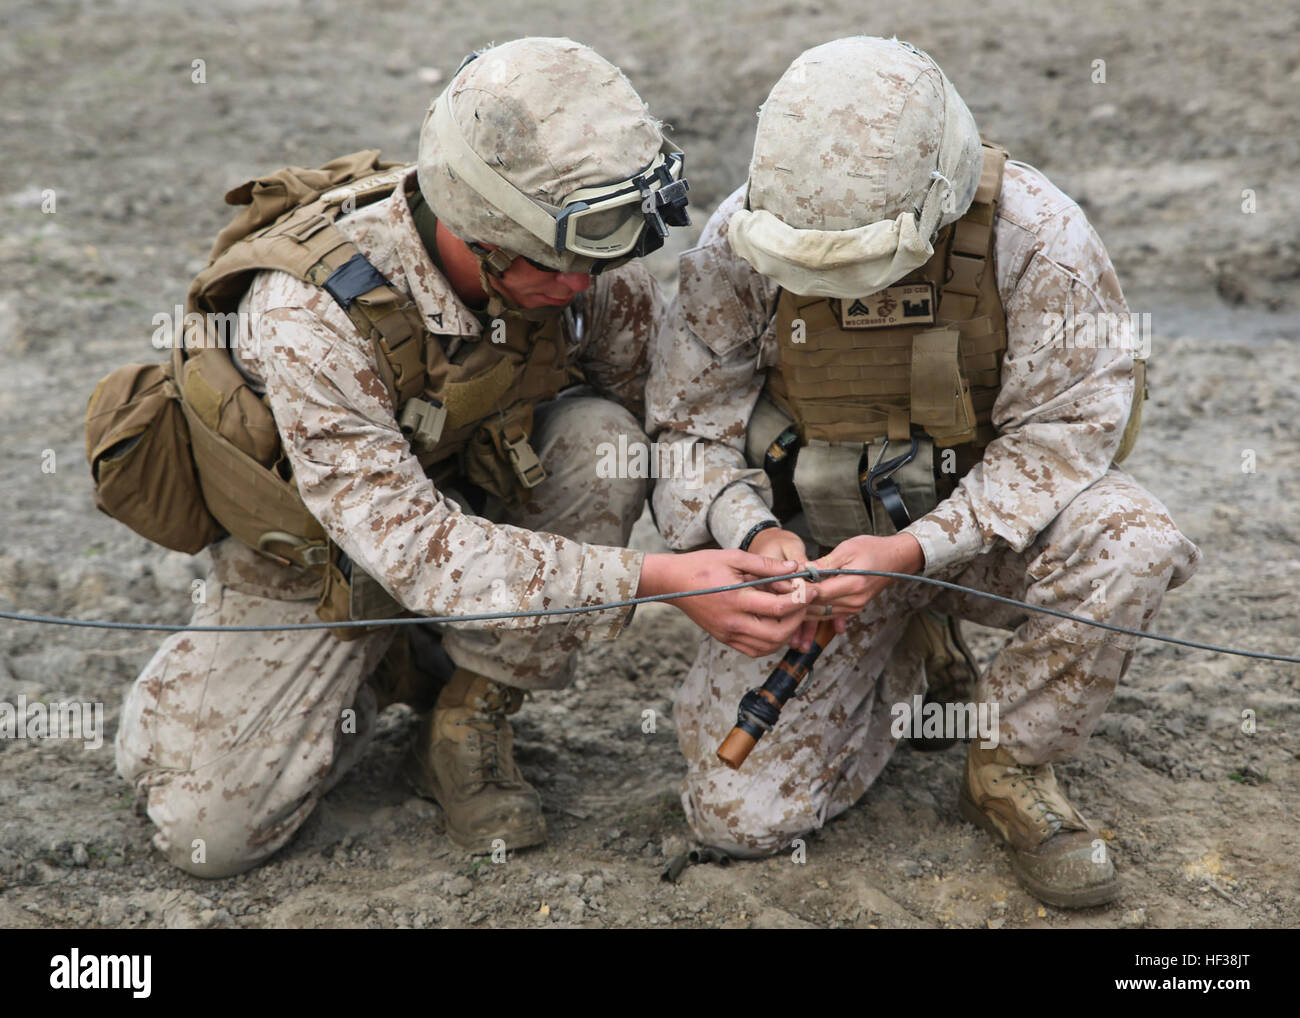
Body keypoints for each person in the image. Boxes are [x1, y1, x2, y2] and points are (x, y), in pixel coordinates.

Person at [115, 37, 811, 878]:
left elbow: (665, 434)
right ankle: (382, 663)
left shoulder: (586, 273)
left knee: (605, 444)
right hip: (320, 559)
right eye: (562, 262)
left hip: (476, 502)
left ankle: (468, 712)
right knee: (210, 833)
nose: (589, 280)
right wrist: (655, 581)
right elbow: (406, 545)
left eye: (603, 255)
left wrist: (744, 531)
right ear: (476, 229)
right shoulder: (310, 314)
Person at [647, 36, 1199, 908]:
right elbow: (687, 429)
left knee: (1132, 543)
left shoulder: (1037, 237)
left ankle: (1012, 762)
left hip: (979, 533)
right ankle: (906, 650)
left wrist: (911, 553)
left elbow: (1061, 438)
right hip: (819, 552)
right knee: (739, 818)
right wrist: (749, 534)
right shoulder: (738, 243)